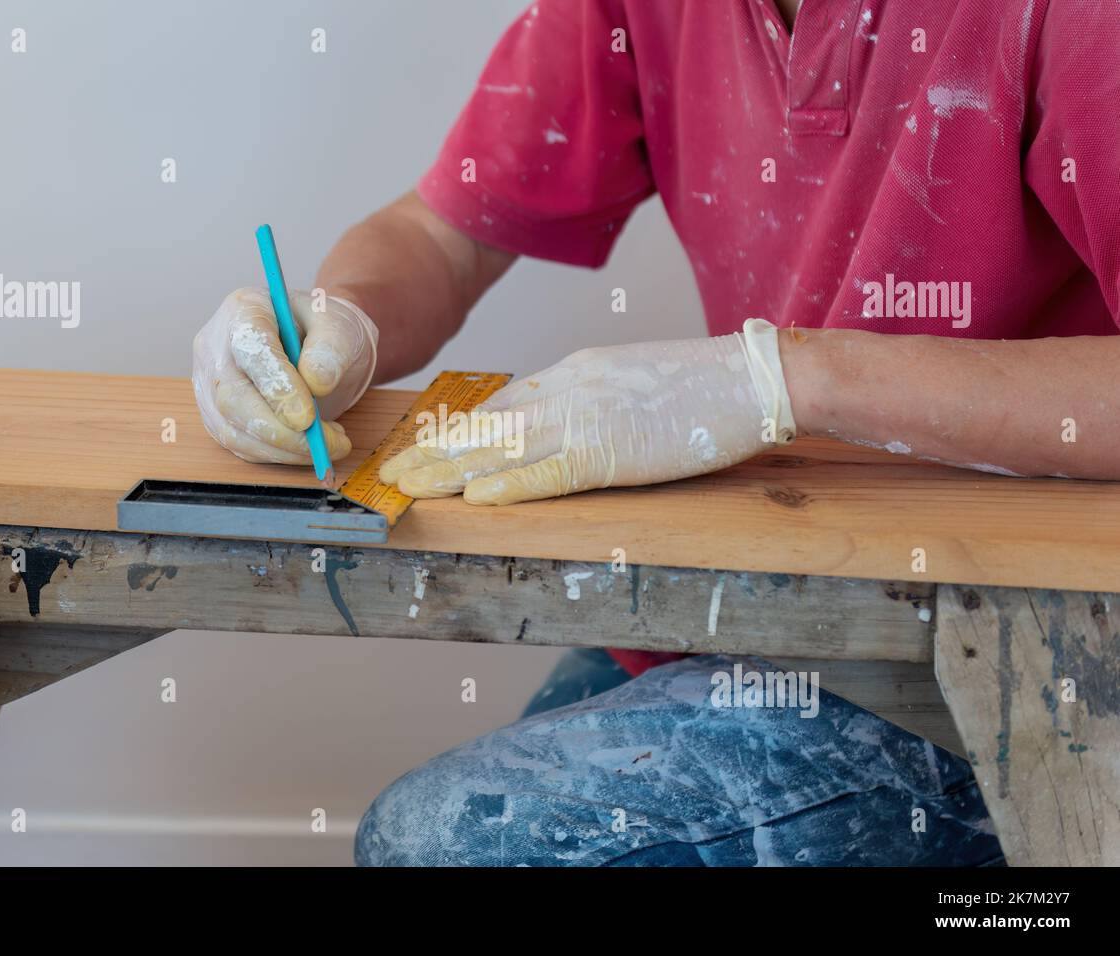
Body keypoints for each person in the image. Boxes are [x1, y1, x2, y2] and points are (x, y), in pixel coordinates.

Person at [192, 0, 1119, 865]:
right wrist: (339, 322)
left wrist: (788, 376)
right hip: (763, 587)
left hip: (1019, 653)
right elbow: (445, 237)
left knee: (442, 845)